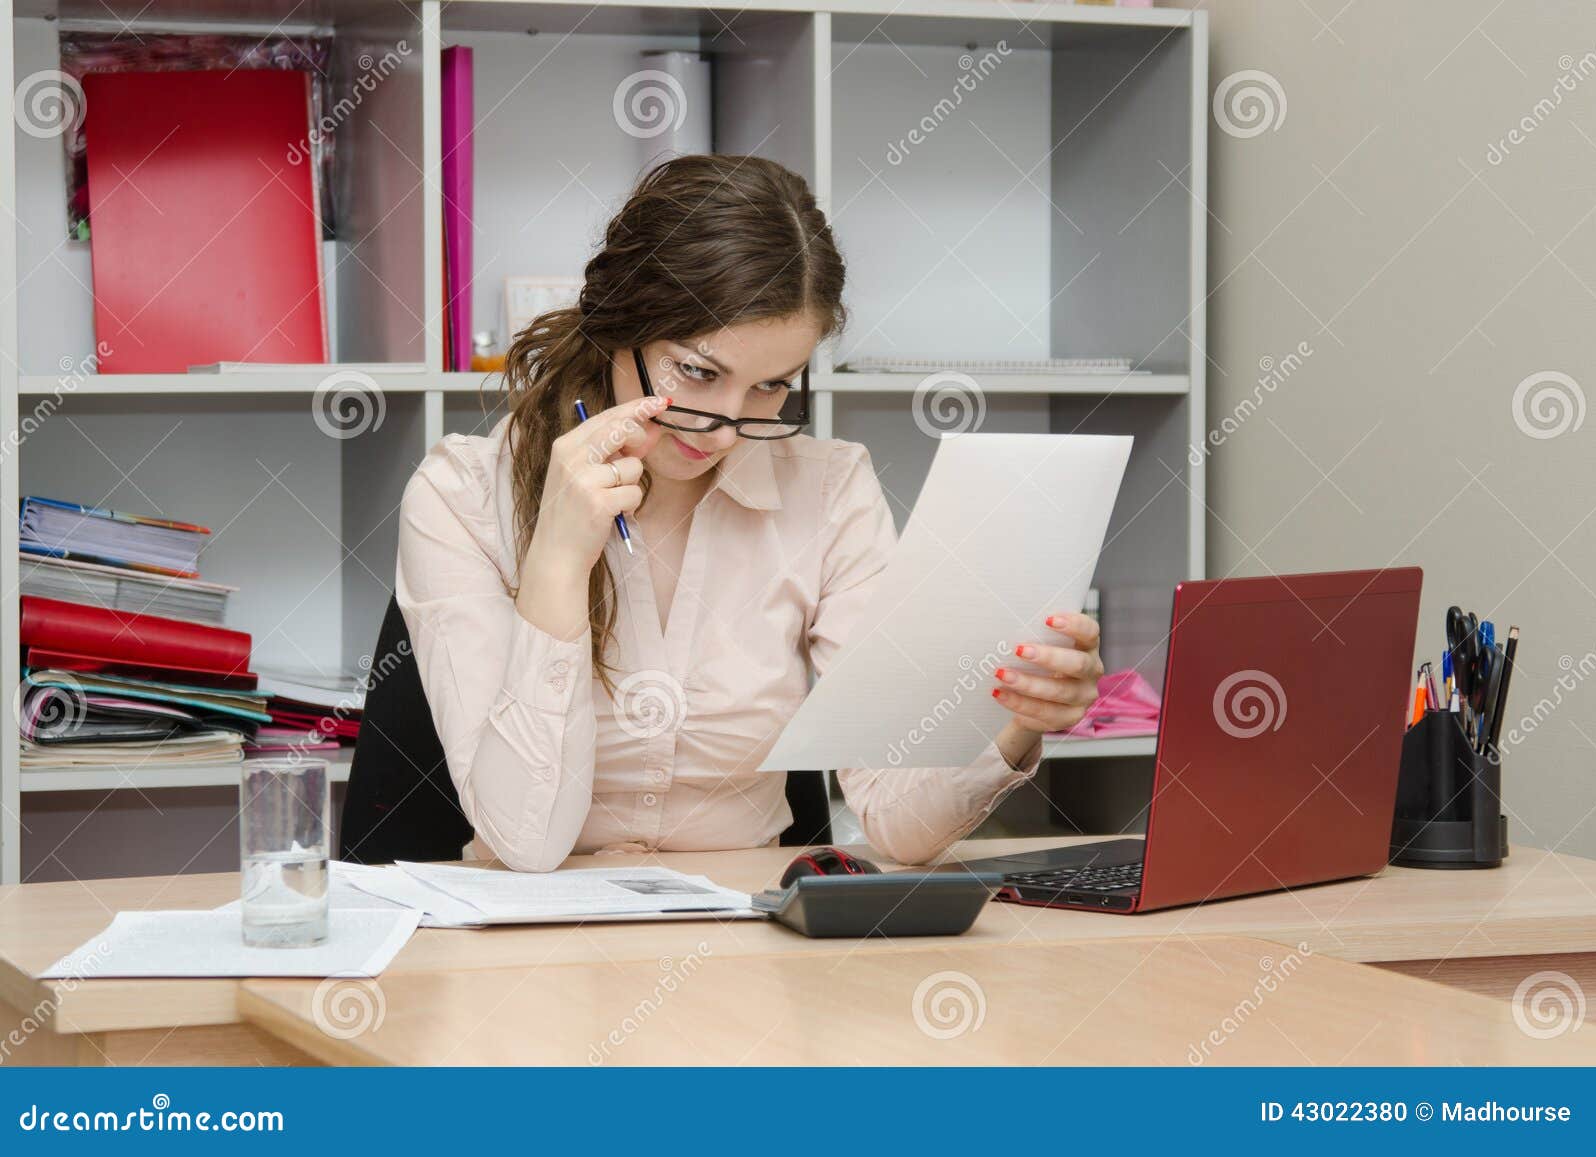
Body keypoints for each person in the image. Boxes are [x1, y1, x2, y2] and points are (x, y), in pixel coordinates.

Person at [396, 154, 1103, 872]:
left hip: (750, 947)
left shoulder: (830, 493)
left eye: (771, 386)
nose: (726, 428)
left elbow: (896, 817)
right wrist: (554, 558)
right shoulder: (459, 496)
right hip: (525, 959)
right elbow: (524, 840)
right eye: (699, 372)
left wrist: (1012, 723)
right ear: (619, 325)